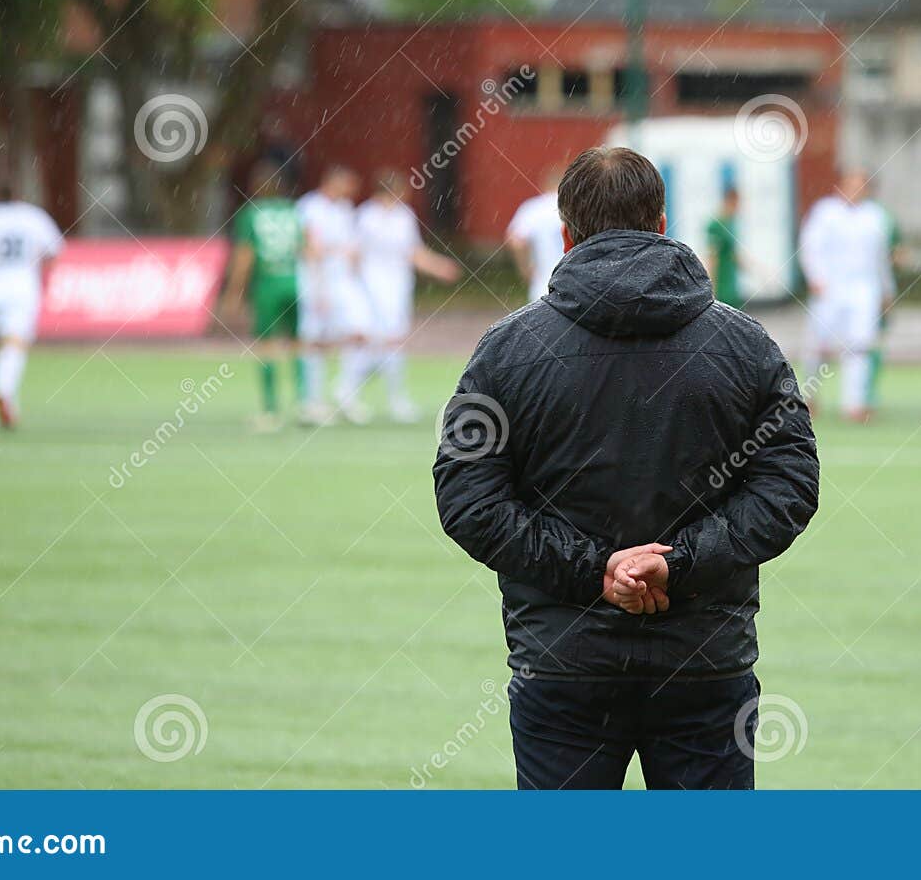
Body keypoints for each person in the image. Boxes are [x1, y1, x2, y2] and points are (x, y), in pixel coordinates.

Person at [433, 146, 819, 790]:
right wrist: (679, 564)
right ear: (661, 224)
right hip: (703, 661)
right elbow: (790, 484)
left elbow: (469, 500)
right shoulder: (745, 344)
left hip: (564, 663)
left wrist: (596, 572)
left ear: (565, 234)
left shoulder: (506, 350)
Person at [351, 170, 460, 422]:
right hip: (371, 287)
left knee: (391, 341)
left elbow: (413, 252)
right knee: (376, 340)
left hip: (398, 288)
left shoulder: (404, 216)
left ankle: (382, 396)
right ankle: (356, 394)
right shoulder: (366, 216)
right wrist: (355, 291)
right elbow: (355, 253)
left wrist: (438, 266)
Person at [799, 170, 896, 421]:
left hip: (864, 289)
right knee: (819, 344)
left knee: (860, 345)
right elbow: (810, 247)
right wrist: (815, 277)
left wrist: (887, 290)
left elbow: (881, 258)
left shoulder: (876, 216)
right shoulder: (825, 212)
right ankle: (809, 396)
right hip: (830, 287)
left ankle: (854, 403)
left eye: (859, 185)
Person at [0, 184, 65, 429]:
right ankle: (4, 390)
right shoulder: (33, 216)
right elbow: (53, 252)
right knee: (17, 342)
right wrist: (42, 276)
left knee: (1, 342)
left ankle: (8, 399)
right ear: (19, 196)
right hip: (22, 285)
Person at [223, 163, 302, 432]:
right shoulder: (293, 211)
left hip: (268, 284)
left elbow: (244, 256)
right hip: (294, 281)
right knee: (298, 343)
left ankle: (271, 410)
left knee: (266, 347)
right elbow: (308, 247)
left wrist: (234, 292)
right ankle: (304, 402)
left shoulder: (251, 214)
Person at [296, 167, 369, 425]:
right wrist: (318, 289)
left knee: (360, 332)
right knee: (315, 340)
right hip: (316, 281)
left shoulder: (345, 209)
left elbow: (352, 247)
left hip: (344, 282)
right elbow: (309, 247)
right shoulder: (309, 207)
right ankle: (312, 400)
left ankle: (345, 390)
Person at [506, 168, 565, 305]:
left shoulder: (533, 208)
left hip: (543, 285)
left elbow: (516, 242)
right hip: (576, 285)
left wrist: (525, 269)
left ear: (545, 185)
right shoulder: (577, 207)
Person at [705, 183, 744, 308]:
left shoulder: (731, 223)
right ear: (730, 200)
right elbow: (712, 259)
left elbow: (734, 256)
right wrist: (711, 291)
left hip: (732, 289)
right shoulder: (715, 226)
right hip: (721, 289)